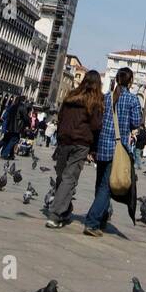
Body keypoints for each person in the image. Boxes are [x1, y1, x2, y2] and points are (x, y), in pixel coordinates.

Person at [82, 67, 141, 237]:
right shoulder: (132, 100)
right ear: (130, 82)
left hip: (101, 147)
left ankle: (100, 219)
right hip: (117, 150)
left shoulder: (105, 98)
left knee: (100, 184)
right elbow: (136, 123)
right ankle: (92, 222)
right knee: (107, 187)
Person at [46, 71, 104, 229]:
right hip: (81, 143)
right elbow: (96, 126)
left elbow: (61, 117)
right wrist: (94, 148)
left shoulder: (70, 96)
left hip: (64, 140)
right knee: (69, 177)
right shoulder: (96, 100)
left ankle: (64, 210)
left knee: (62, 175)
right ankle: (56, 214)